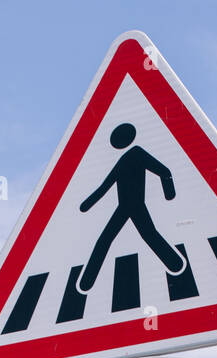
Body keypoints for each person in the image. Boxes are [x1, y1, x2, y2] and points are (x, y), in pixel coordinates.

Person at [76, 122, 186, 294]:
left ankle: (175, 263)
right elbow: (105, 186)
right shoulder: (126, 159)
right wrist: (85, 206)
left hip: (135, 205)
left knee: (144, 235)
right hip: (124, 207)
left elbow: (163, 171)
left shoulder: (136, 154)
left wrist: (169, 194)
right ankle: (86, 283)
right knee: (112, 238)